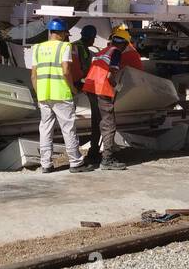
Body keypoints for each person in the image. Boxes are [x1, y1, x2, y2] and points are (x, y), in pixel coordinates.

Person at [32, 18, 86, 173]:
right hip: (61, 93)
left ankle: (46, 164)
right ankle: (75, 162)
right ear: (62, 33)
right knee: (68, 128)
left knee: (45, 129)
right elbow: (66, 71)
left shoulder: (37, 48)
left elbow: (33, 76)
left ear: (50, 32)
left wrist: (39, 93)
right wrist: (73, 89)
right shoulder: (64, 47)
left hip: (43, 95)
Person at [81, 26, 133, 171]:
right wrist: (116, 86)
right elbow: (110, 76)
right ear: (123, 44)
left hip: (91, 88)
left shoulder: (103, 51)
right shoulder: (116, 52)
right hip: (101, 89)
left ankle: (93, 154)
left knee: (97, 122)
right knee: (109, 124)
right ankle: (107, 159)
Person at [69, 25, 104, 167]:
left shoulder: (73, 45)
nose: (93, 41)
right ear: (90, 38)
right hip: (80, 85)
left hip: (69, 85)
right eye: (93, 38)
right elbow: (84, 69)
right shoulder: (82, 49)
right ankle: (93, 152)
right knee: (96, 117)